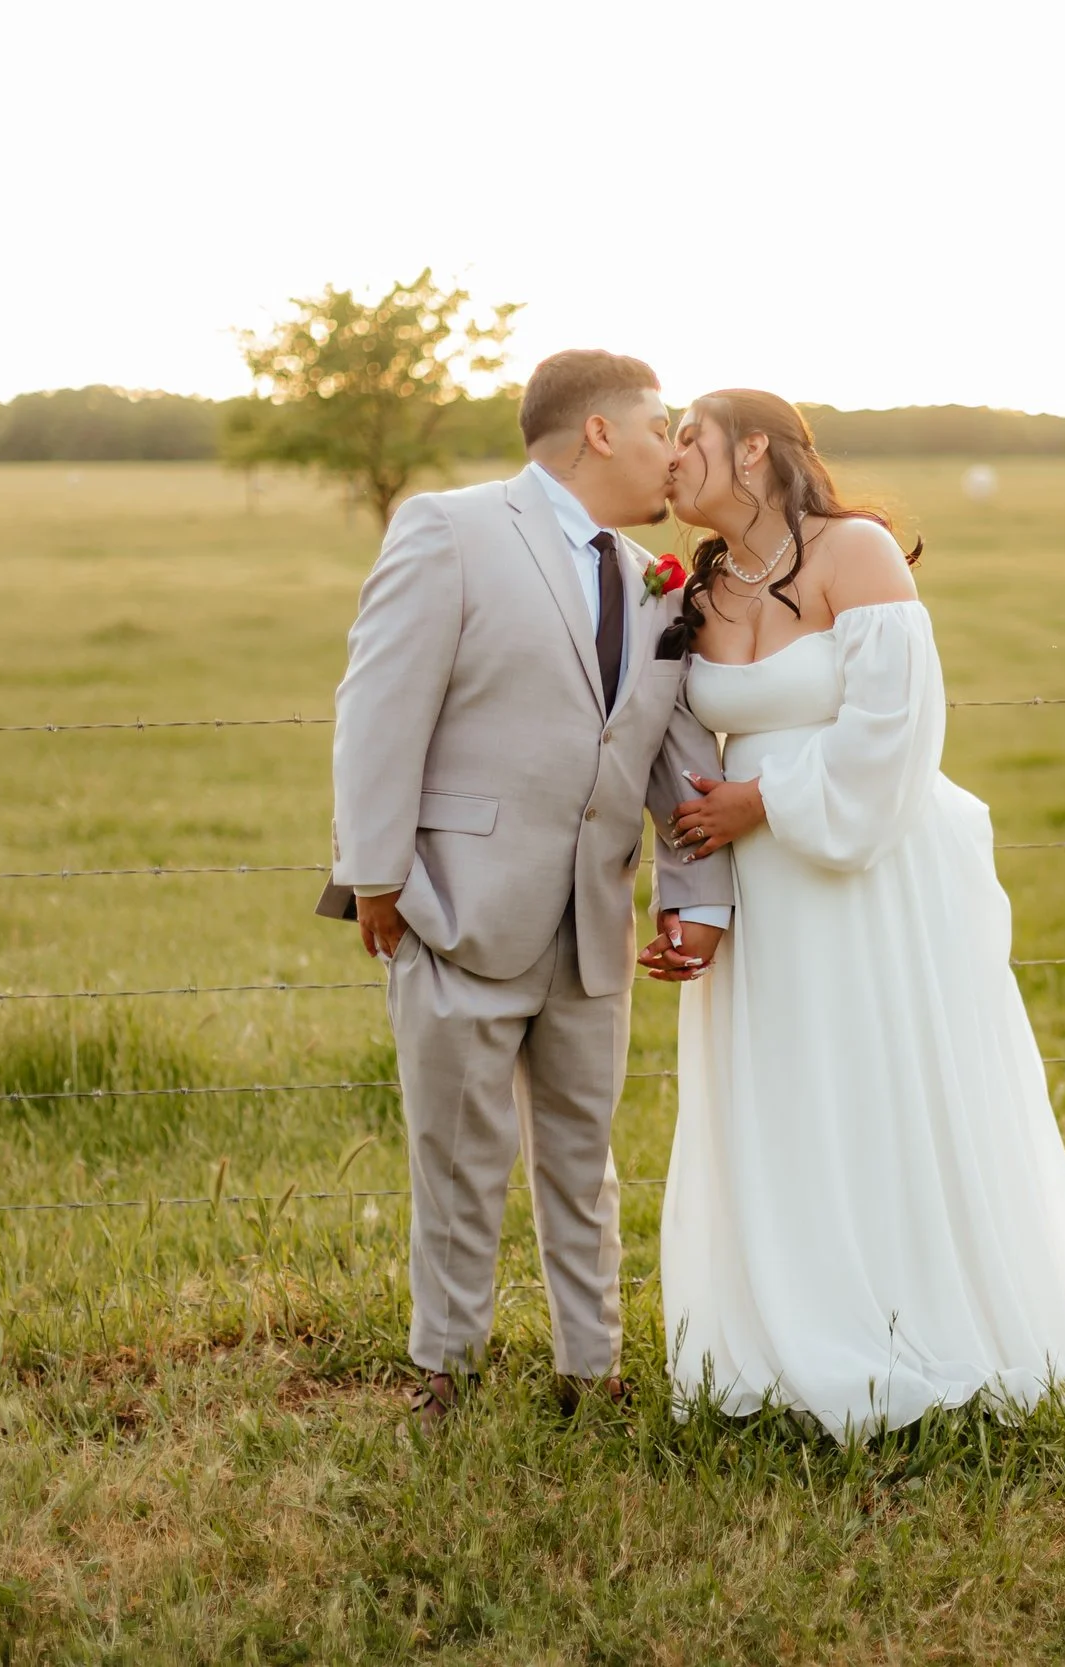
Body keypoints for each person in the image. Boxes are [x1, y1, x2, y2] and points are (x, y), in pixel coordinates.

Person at [648, 389, 1065, 1438]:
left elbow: (896, 732)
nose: (672, 457)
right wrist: (696, 887)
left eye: (690, 437)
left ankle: (916, 1322)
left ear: (754, 447)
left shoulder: (857, 553)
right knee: (788, 1092)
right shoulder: (696, 589)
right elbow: (676, 749)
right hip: (764, 890)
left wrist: (761, 802)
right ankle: (791, 1333)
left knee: (880, 1082)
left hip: (869, 870)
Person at [323, 350, 735, 1427]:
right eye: (658, 427)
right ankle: (445, 1367)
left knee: (584, 1160)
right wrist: (376, 874)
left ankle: (590, 1368)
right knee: (459, 1157)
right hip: (459, 904)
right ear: (599, 432)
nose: (671, 451)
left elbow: (675, 756)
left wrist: (697, 896)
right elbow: (379, 707)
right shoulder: (450, 530)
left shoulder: (657, 580)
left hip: (593, 925)